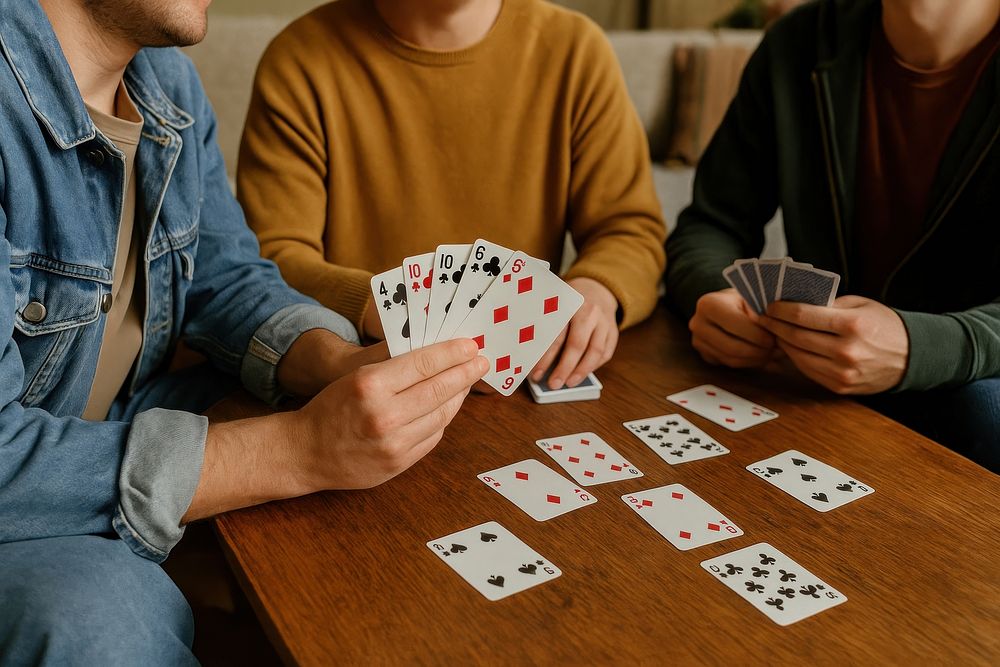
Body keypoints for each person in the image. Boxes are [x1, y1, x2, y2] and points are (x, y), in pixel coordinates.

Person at [0, 0, 487, 663]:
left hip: (107, 421)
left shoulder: (167, 80)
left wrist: (336, 359)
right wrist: (297, 450)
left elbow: (224, 276)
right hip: (22, 485)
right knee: (100, 616)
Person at [237, 0, 666, 392]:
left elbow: (630, 229)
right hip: (358, 378)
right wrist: (405, 316)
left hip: (525, 389)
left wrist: (597, 290)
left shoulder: (577, 50)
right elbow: (269, 258)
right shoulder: (298, 59)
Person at [665, 0, 1000, 472]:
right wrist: (718, 294)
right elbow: (710, 225)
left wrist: (923, 348)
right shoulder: (798, 42)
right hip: (808, 384)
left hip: (974, 391)